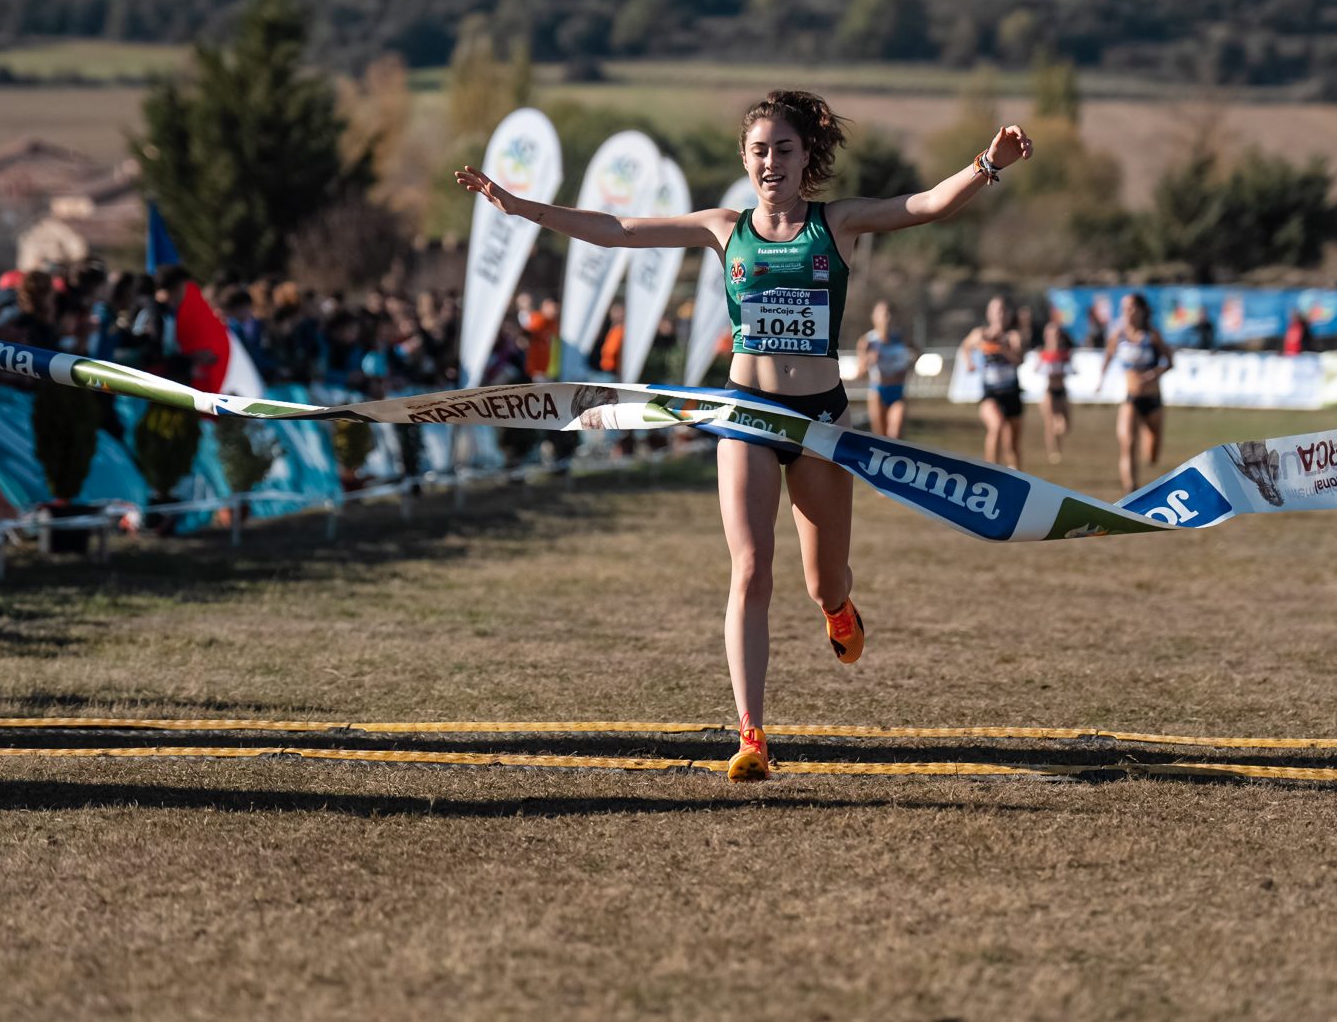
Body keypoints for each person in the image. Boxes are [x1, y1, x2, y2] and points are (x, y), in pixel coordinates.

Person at [458, 89, 1032, 783]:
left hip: (819, 417)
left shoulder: (837, 223)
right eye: (759, 150)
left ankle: (838, 607)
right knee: (752, 567)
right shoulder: (724, 227)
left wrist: (987, 165)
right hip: (746, 413)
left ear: (804, 157)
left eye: (783, 149)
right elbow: (617, 226)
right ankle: (752, 734)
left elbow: (926, 203)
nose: (770, 162)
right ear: (744, 157)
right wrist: (523, 209)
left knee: (824, 580)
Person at [1103, 292, 1172, 495]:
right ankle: (1131, 488)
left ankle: (1150, 444)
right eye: (1124, 308)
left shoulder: (1153, 335)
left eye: (1131, 307)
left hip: (1152, 398)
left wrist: (1151, 375)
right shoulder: (1119, 335)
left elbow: (1169, 362)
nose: (1127, 311)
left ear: (1142, 310)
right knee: (1127, 442)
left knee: (1152, 452)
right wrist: (1101, 378)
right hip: (1131, 398)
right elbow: (1108, 354)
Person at [960, 296, 1027, 469]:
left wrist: (1003, 349)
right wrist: (969, 362)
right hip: (990, 393)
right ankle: (992, 472)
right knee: (996, 426)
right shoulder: (979, 334)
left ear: (1009, 315)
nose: (1000, 315)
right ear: (989, 314)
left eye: (1004, 311)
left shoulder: (1012, 337)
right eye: (997, 310)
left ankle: (1017, 477)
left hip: (1011, 393)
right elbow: (965, 346)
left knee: (1012, 445)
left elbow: (1020, 360)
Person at [854, 301, 915, 440]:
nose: (886, 318)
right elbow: (860, 373)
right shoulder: (867, 341)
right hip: (877, 392)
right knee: (881, 439)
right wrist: (869, 359)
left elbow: (917, 351)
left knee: (896, 434)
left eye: (889, 314)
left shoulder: (901, 338)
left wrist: (909, 366)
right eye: (883, 314)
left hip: (897, 390)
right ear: (874, 317)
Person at [1035, 310, 1073, 462]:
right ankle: (1054, 452)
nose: (1055, 337)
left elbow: (1072, 369)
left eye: (1057, 334)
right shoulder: (1043, 353)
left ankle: (1058, 447)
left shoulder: (1065, 354)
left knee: (1065, 426)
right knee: (1050, 423)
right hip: (1049, 391)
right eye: (1052, 334)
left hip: (1062, 391)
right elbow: (1036, 369)